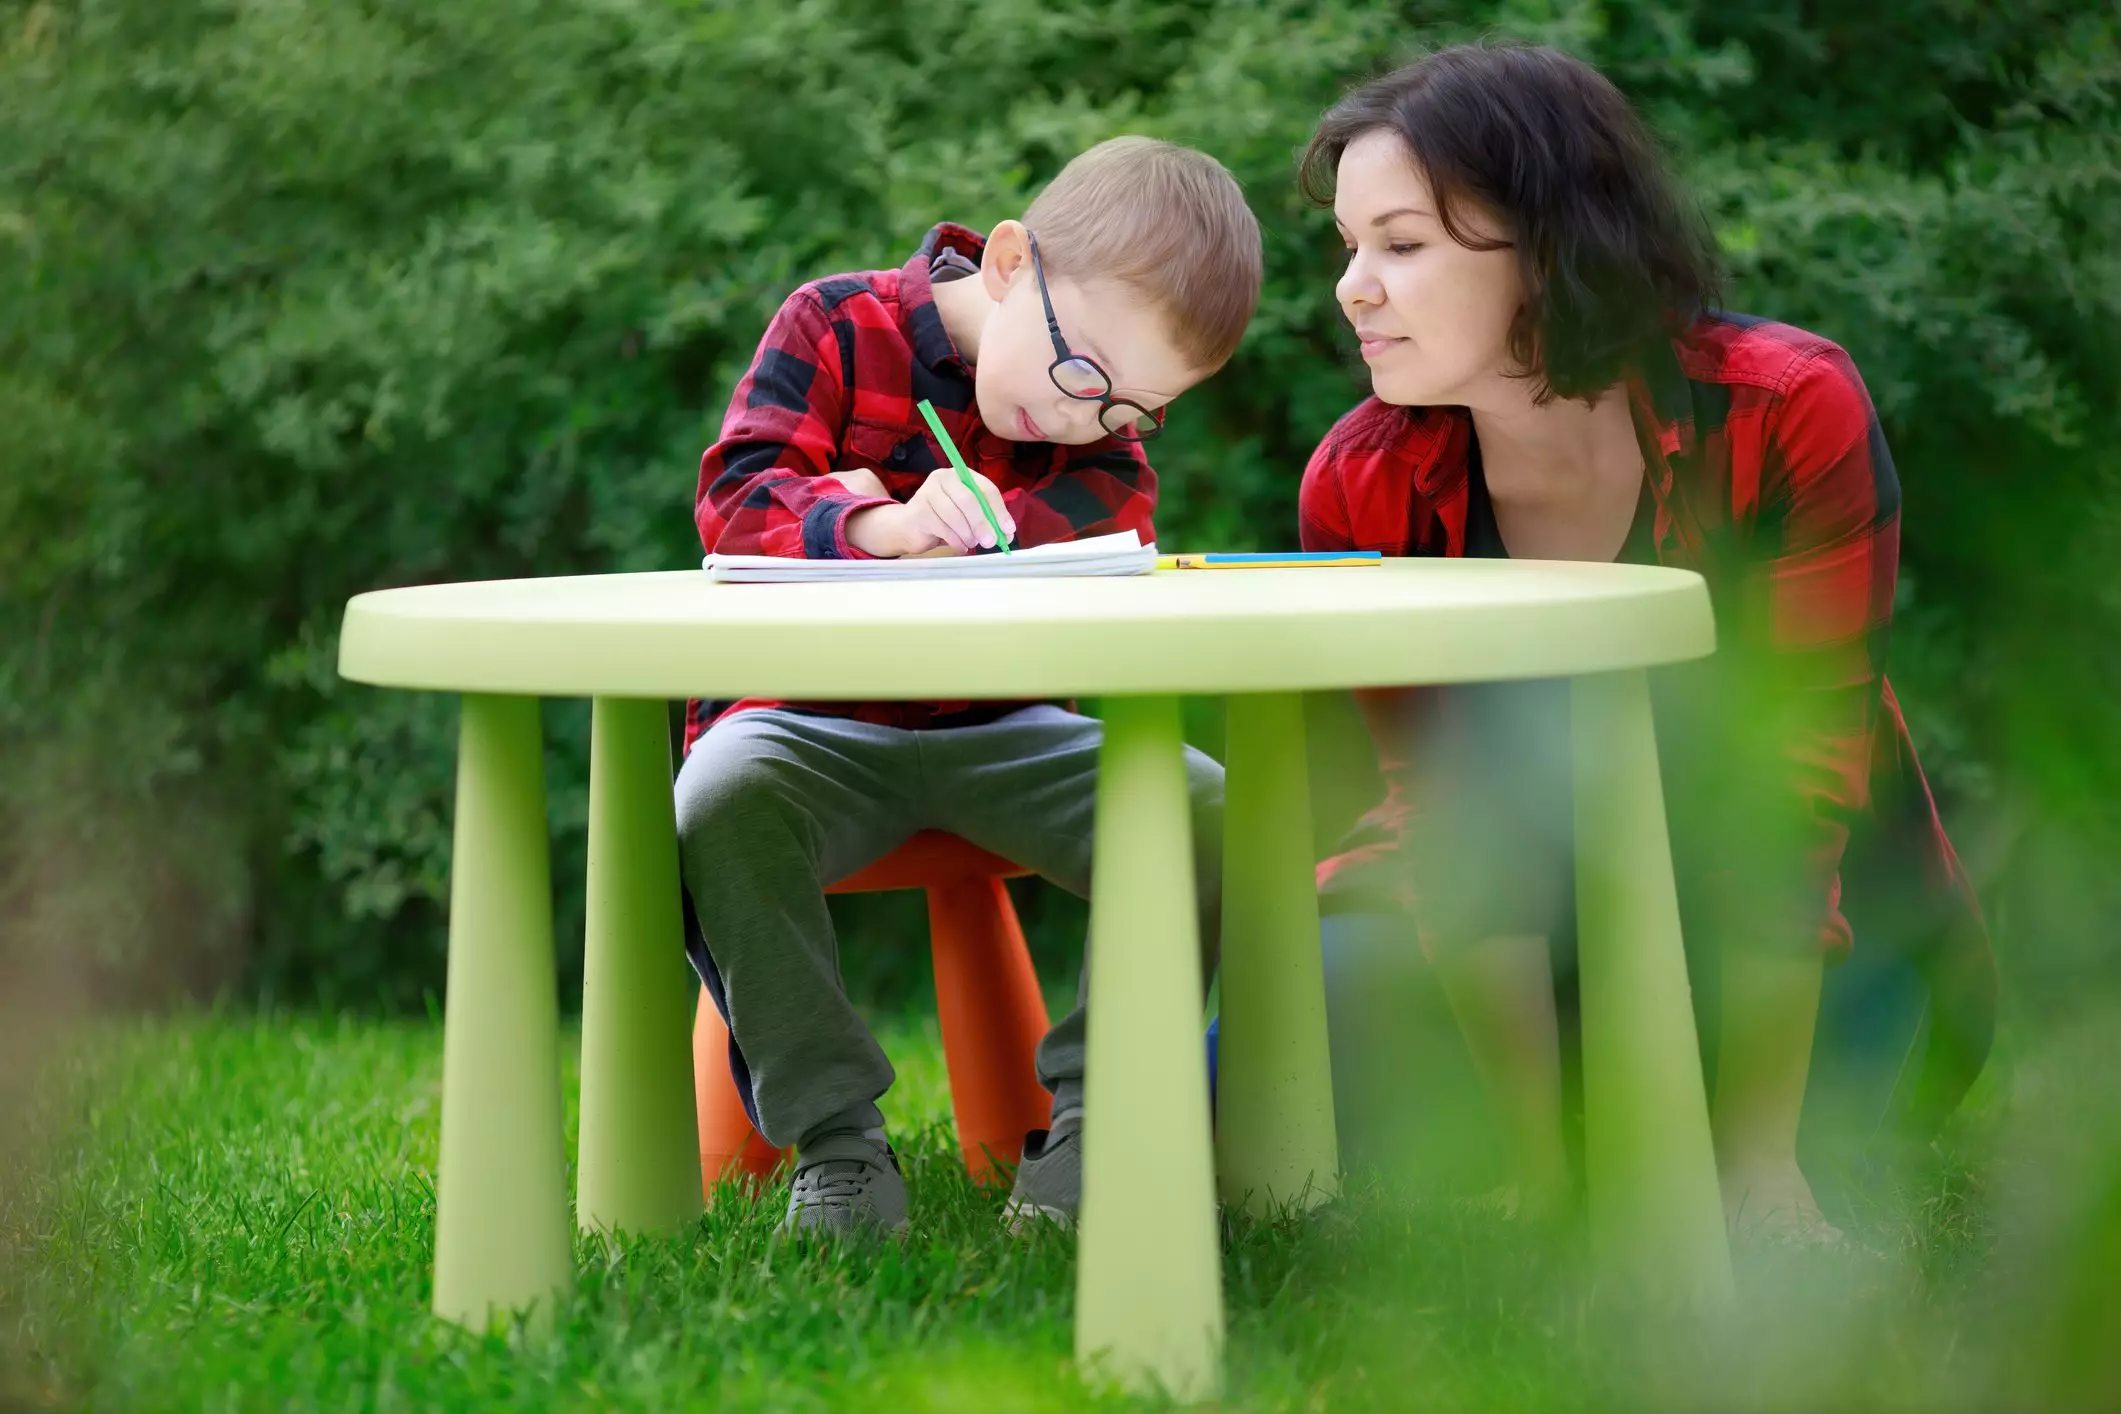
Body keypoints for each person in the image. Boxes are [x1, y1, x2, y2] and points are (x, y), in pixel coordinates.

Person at [1284, 42, 1995, 1240]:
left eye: (1400, 246)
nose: (1353, 287)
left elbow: (1800, 780)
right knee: (1268, 1070)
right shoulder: (1363, 485)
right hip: (1500, 911)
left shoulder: (1786, 411)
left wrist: (1760, 1167)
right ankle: (1548, 1123)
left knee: (1771, 1141)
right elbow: (1437, 805)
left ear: (1556, 241)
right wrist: (1529, 1180)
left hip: (1788, 909)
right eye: (1349, 248)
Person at [677, 137, 1262, 1240]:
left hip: (1007, 726)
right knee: (714, 801)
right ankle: (839, 1144)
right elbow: (737, 498)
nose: (1091, 419)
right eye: (1083, 372)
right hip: (803, 724)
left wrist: (958, 534)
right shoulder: (836, 324)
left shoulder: (1094, 422)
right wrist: (873, 522)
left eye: (1133, 409)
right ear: (1007, 263)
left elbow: (1115, 523)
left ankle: (1100, 1127)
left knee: (1202, 806)